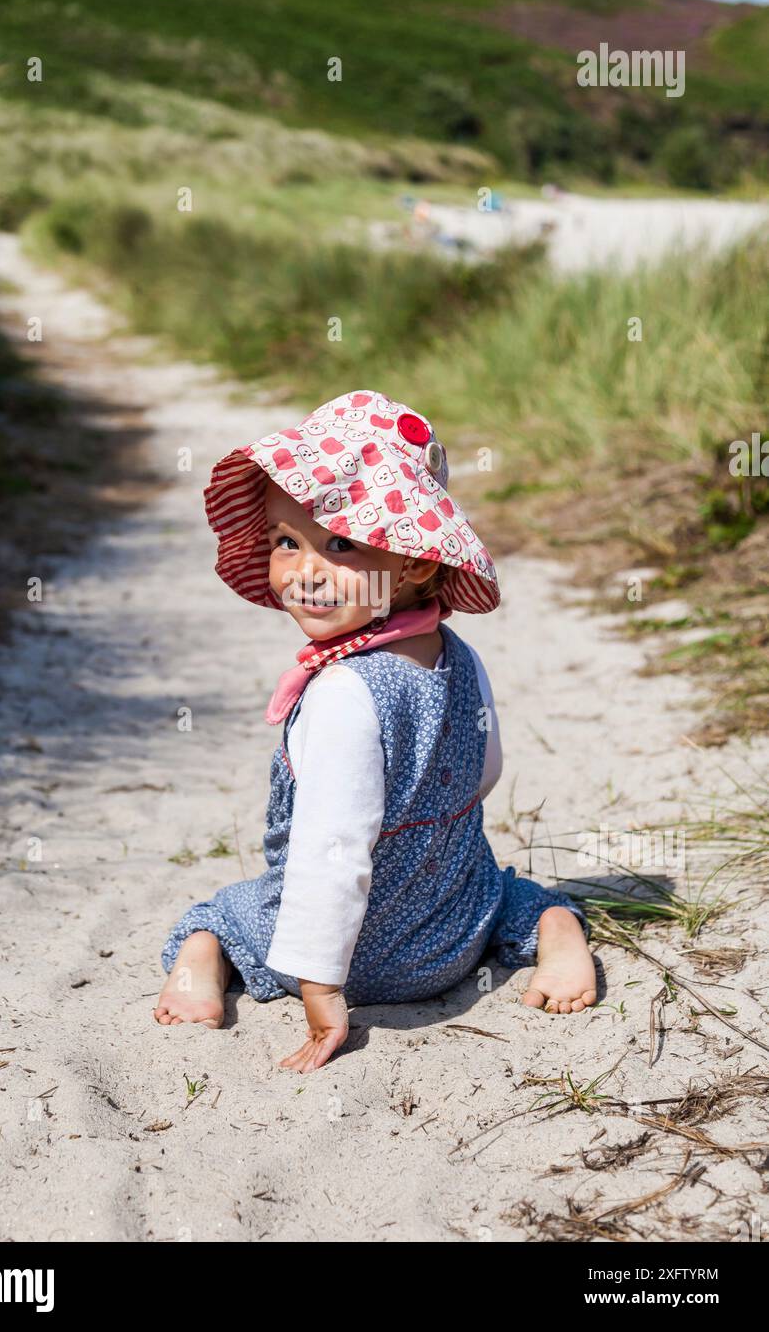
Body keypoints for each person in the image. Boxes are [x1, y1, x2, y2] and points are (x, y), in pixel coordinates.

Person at [155, 389, 596, 1071]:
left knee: (224, 911)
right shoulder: (459, 659)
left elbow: (332, 855)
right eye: (285, 542)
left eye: (338, 545)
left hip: (357, 965)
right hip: (452, 938)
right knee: (512, 892)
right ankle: (557, 932)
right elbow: (485, 773)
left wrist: (323, 986)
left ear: (416, 561)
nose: (304, 571)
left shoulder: (341, 695)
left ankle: (201, 965)